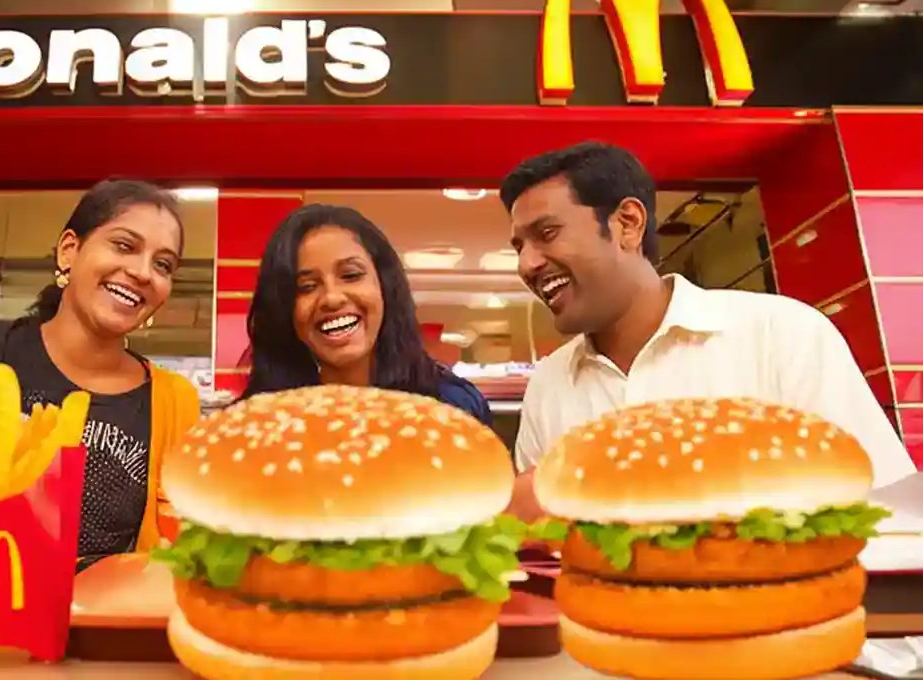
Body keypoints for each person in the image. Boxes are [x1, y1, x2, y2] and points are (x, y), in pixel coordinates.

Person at [502, 141, 913, 519]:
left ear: (628, 223)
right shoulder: (549, 383)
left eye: (547, 234)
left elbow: (883, 506)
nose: (527, 264)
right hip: (599, 596)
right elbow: (538, 539)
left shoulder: (781, 333)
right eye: (519, 247)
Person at [0, 179, 200, 572]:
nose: (142, 272)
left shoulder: (174, 400)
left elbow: (175, 551)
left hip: (103, 626)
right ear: (70, 250)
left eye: (163, 264)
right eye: (124, 245)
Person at [240, 204, 491, 424]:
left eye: (351, 275)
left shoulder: (455, 406)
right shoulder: (253, 425)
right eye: (306, 287)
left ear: (384, 285)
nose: (332, 298)